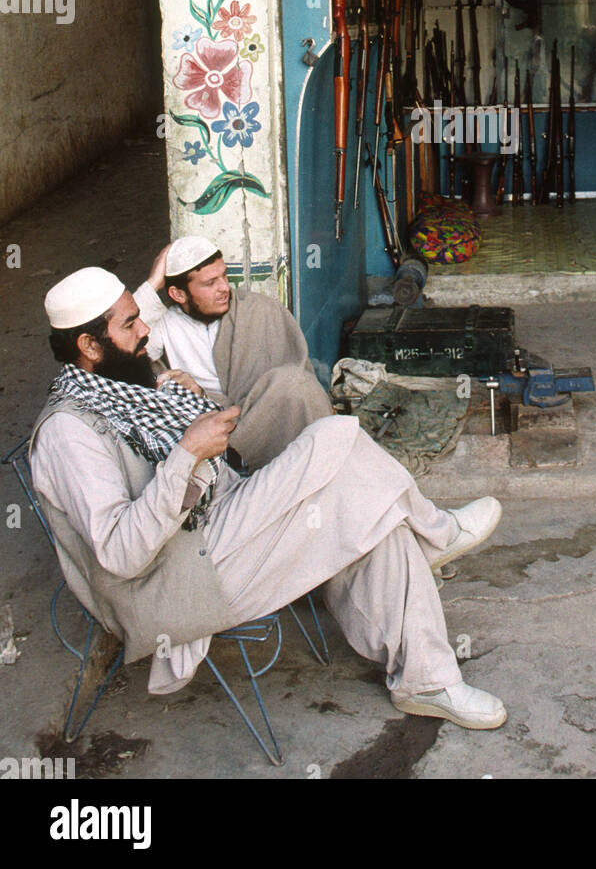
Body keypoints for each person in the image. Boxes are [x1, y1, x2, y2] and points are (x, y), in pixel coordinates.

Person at [30, 266, 506, 729]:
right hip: (174, 582)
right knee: (334, 441)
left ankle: (428, 680)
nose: (145, 333)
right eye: (130, 324)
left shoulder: (117, 383)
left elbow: (160, 424)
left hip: (212, 528)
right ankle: (436, 541)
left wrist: (185, 397)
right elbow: (120, 553)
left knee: (367, 500)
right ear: (89, 345)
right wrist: (185, 453)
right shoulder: (67, 435)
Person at [134, 237, 333, 470]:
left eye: (224, 276)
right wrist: (152, 283)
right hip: (208, 423)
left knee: (297, 386)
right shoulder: (165, 325)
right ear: (178, 294)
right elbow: (124, 346)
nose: (224, 288)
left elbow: (285, 391)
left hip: (266, 415)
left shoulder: (257, 309)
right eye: (209, 283)